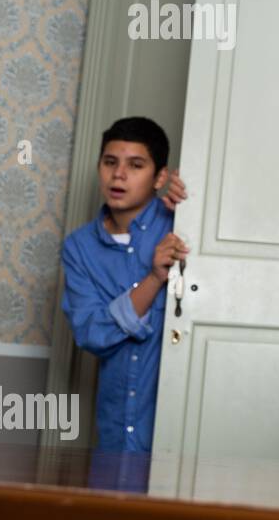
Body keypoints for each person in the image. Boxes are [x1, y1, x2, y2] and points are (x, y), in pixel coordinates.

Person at [61, 117, 188, 452]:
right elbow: (91, 332)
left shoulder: (181, 224)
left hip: (178, 434)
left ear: (160, 177)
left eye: (136, 165)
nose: (118, 175)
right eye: (110, 162)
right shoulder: (80, 248)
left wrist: (195, 198)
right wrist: (153, 278)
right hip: (115, 433)